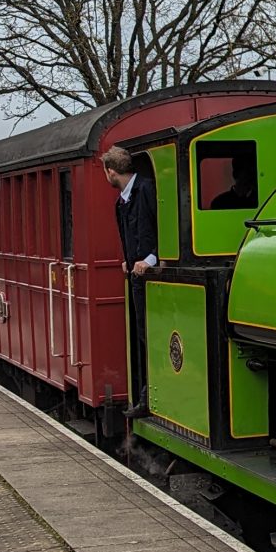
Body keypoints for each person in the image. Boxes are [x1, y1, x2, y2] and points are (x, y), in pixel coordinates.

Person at [102, 145, 156, 418]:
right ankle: (146, 396)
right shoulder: (122, 201)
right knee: (142, 335)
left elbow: (161, 225)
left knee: (150, 335)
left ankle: (150, 397)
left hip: (150, 274)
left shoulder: (145, 190)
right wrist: (128, 258)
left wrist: (151, 259)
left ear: (111, 171)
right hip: (136, 277)